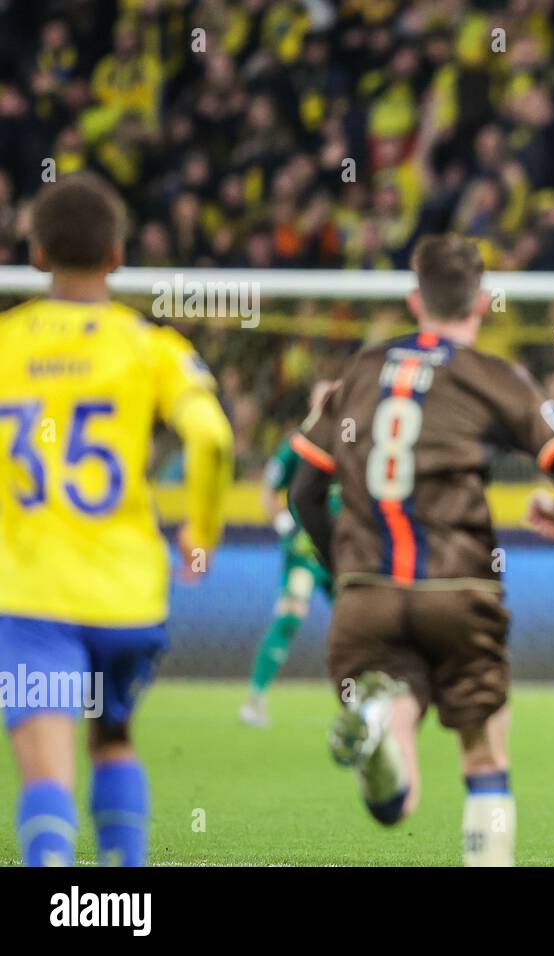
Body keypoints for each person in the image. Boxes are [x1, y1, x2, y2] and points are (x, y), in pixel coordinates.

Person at [290, 234, 554, 866]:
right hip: (460, 591)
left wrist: (342, 571)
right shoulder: (493, 376)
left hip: (368, 594)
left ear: (413, 298)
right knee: (485, 755)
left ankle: (379, 732)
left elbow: (304, 491)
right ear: (482, 303)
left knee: (394, 790)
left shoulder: (362, 368)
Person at [0, 173, 232, 866]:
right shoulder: (151, 347)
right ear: (118, 255)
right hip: (129, 596)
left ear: (36, 253)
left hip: (31, 589)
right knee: (114, 741)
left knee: (46, 774)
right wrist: (201, 533)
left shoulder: (8, 342)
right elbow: (214, 439)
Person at [239, 380, 340, 728]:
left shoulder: (356, 442)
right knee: (291, 615)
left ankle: (360, 707)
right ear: (313, 402)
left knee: (358, 627)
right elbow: (269, 491)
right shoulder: (298, 446)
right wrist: (287, 527)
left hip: (342, 552)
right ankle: (255, 699)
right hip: (306, 553)